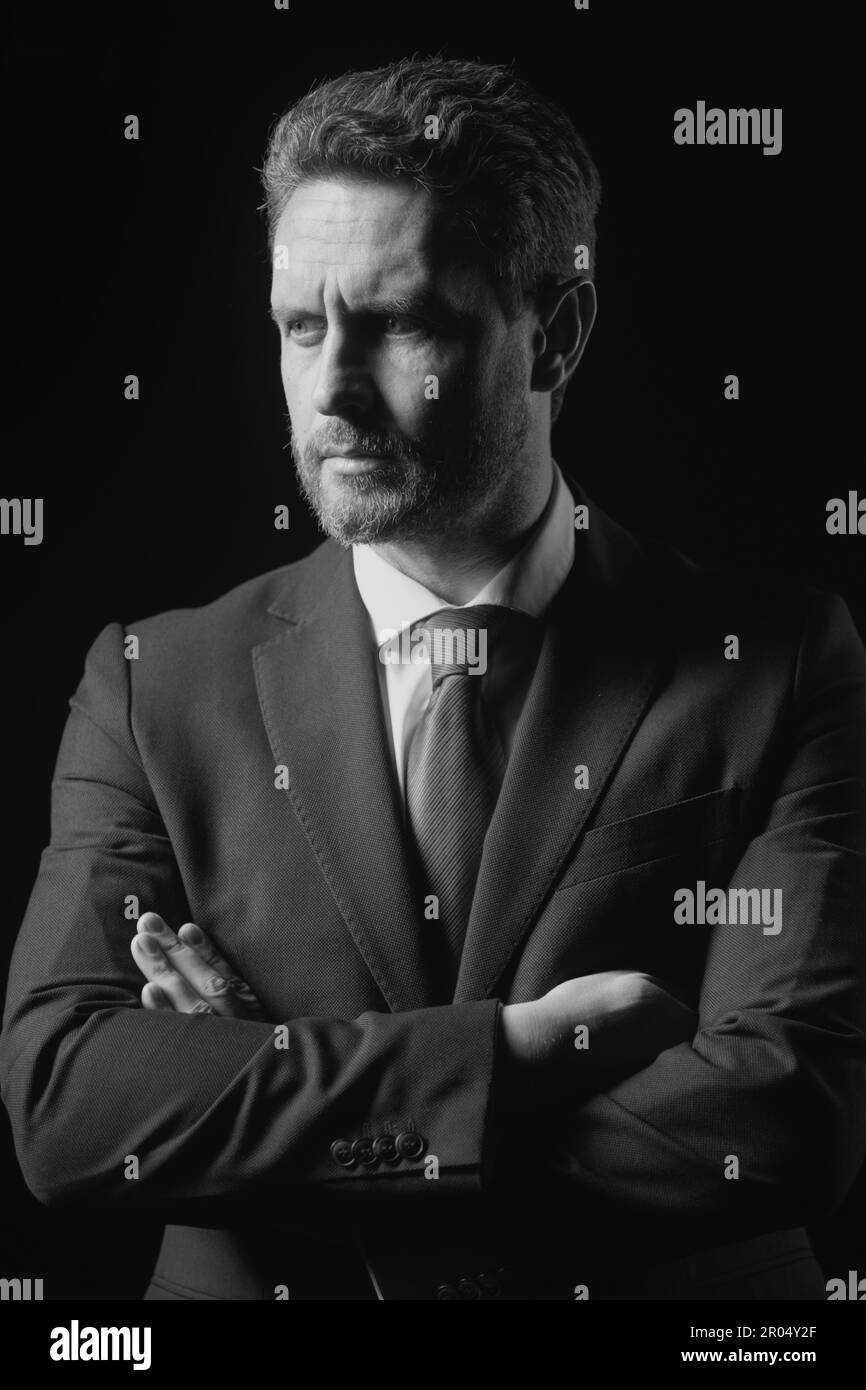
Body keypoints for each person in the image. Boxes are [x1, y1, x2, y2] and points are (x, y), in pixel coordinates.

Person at [2, 56, 865, 1302]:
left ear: (553, 334)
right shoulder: (152, 682)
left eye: (400, 323)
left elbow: (785, 1118)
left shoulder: (779, 662)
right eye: (302, 328)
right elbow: (68, 1104)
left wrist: (260, 1080)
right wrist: (510, 1056)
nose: (332, 393)